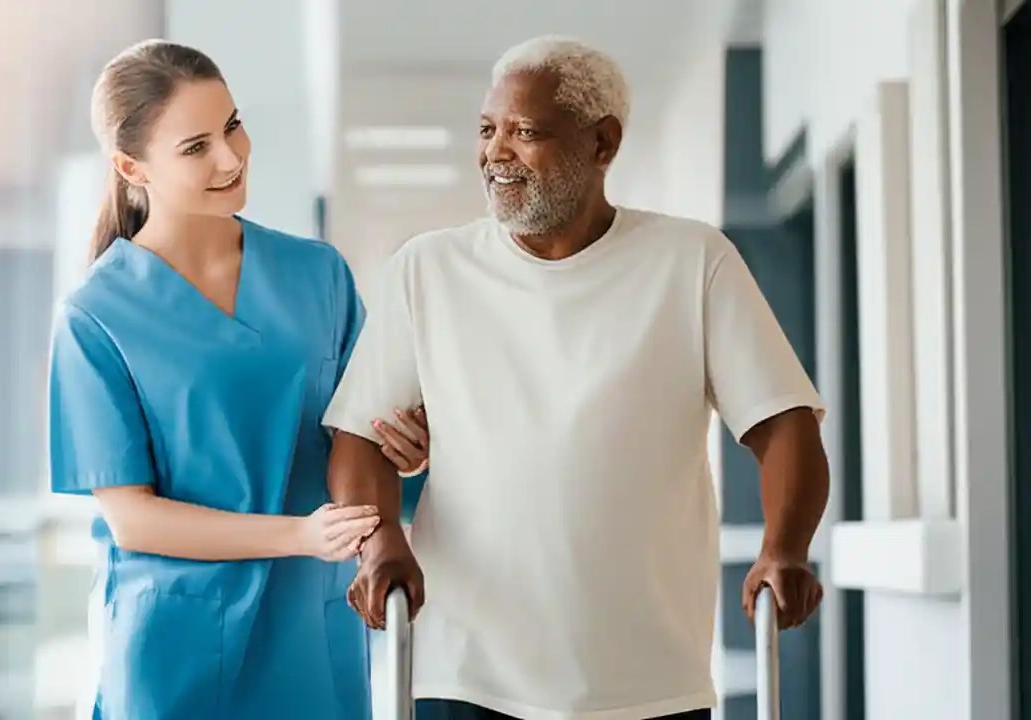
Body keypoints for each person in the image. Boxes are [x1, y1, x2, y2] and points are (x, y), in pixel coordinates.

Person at [323, 35, 830, 720]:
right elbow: (359, 437)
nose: (495, 152)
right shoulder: (427, 269)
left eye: (525, 131)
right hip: (466, 665)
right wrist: (381, 540)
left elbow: (785, 425)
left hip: (645, 677)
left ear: (603, 143)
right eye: (486, 129)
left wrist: (786, 549)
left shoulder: (692, 261)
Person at [46, 40, 430, 720]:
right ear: (132, 166)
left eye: (232, 126)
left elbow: (359, 433)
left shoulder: (318, 275)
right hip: (175, 642)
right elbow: (131, 518)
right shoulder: (96, 316)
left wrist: (406, 446)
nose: (231, 157)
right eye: (195, 147)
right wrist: (300, 537)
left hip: (308, 634)